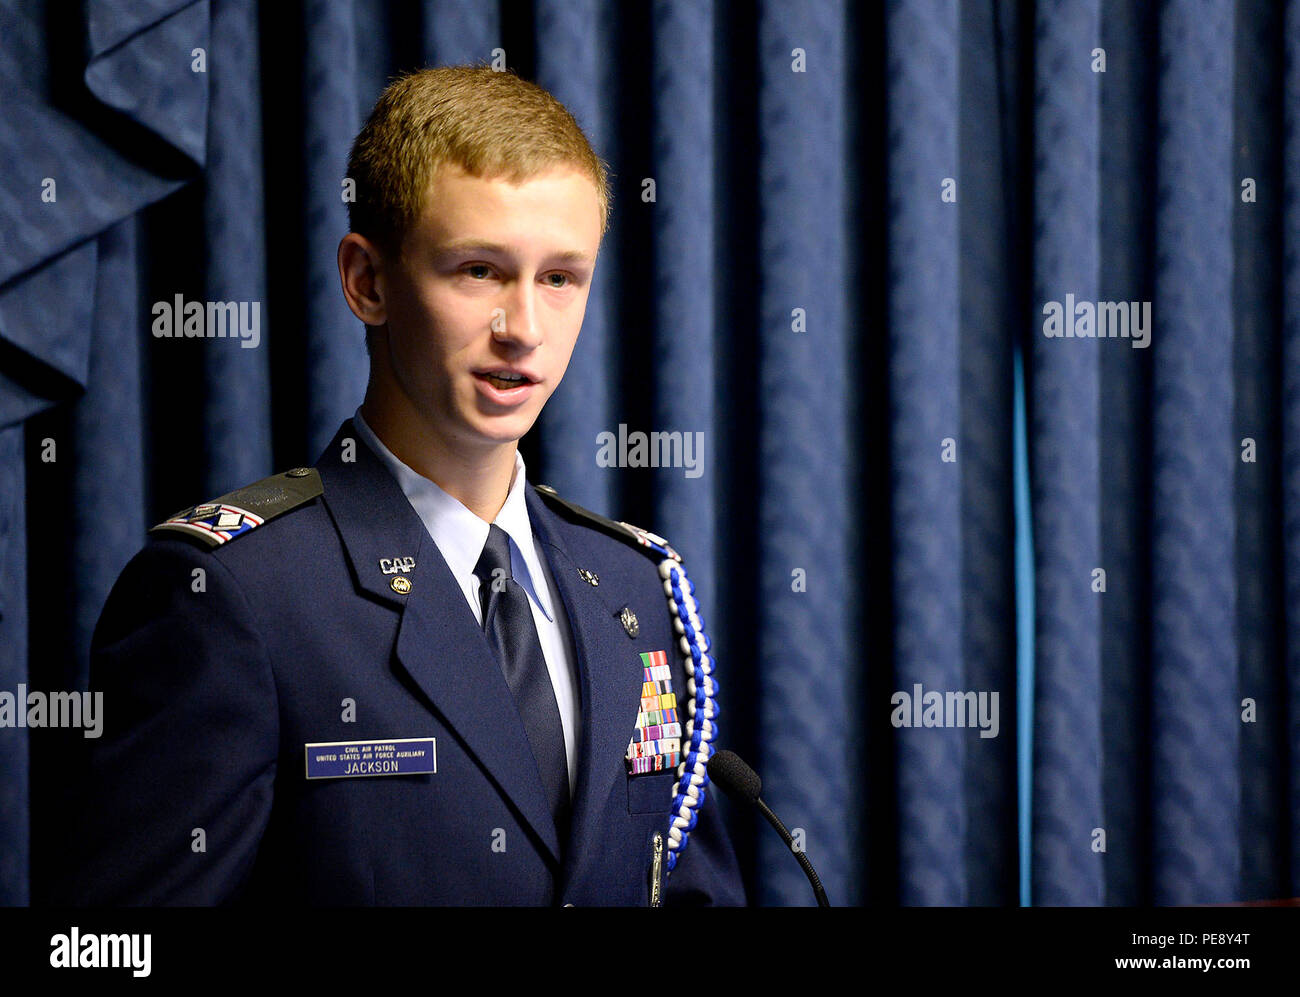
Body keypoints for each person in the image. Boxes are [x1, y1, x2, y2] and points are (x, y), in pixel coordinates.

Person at [54, 66, 744, 906]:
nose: (523, 328)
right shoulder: (233, 596)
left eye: (560, 277)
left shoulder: (633, 585)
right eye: (479, 271)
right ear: (367, 282)